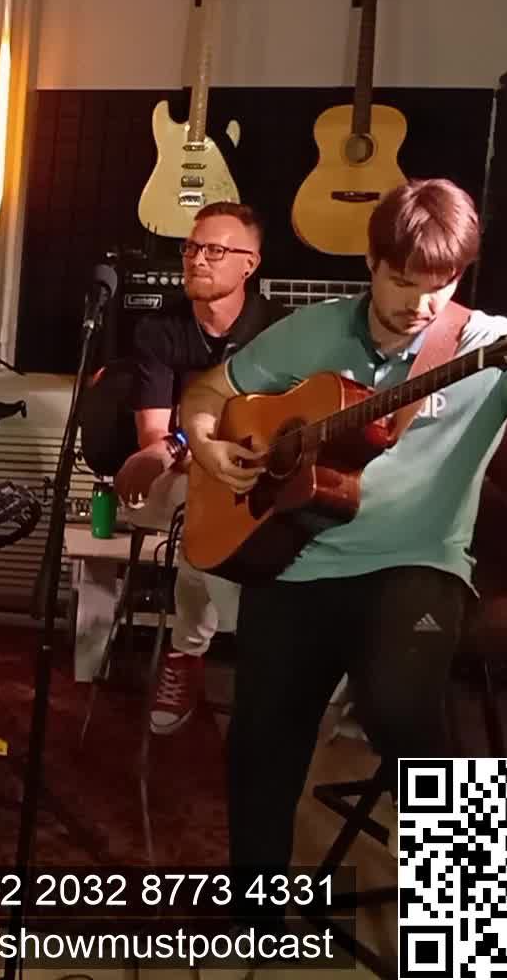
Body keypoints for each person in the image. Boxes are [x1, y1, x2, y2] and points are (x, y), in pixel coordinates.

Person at [180, 178, 507, 938]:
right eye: (402, 281)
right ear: (371, 260)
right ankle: (256, 912)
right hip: (295, 559)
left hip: (417, 564)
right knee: (259, 736)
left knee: (397, 707)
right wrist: (207, 444)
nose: (420, 304)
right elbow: (210, 390)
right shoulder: (312, 330)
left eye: (440, 284)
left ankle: (499, 916)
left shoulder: (488, 344)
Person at [111, 202, 287, 735]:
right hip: (182, 480)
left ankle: (190, 651)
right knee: (197, 508)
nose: (196, 260)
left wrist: (199, 448)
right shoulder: (159, 329)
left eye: (214, 250)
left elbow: (281, 427)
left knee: (205, 526)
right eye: (191, 248)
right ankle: (242, 654)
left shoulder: (281, 331)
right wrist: (195, 451)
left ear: (249, 264)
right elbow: (154, 439)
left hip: (261, 478)